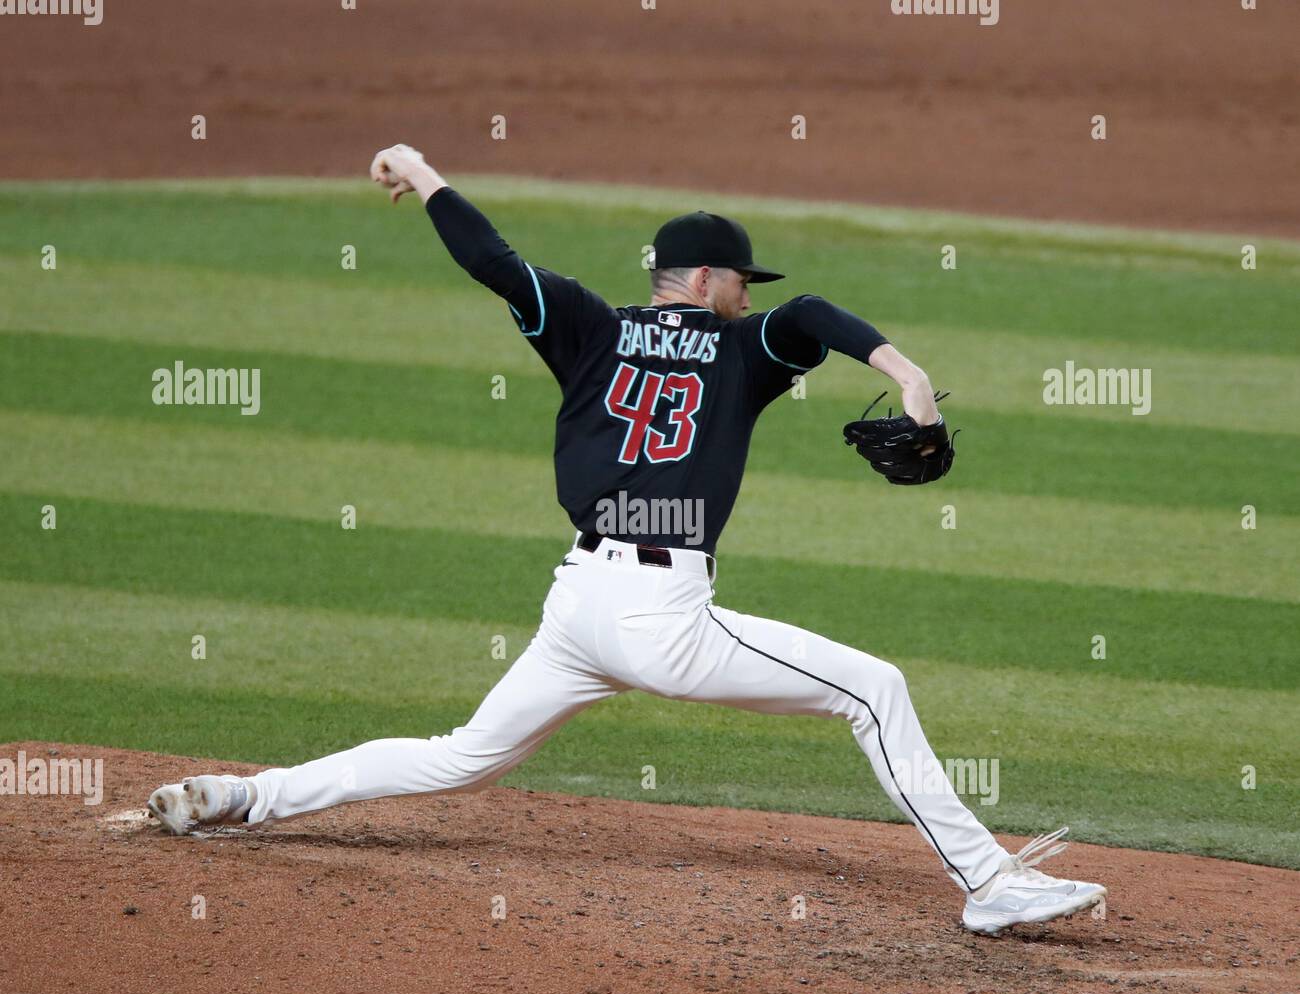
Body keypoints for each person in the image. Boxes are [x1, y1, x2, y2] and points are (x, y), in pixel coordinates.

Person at [147, 144, 1105, 937]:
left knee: (462, 754)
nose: (748, 293)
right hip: (661, 617)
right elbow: (812, 317)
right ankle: (990, 884)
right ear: (704, 277)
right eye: (739, 278)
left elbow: (493, 261)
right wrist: (909, 375)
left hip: (578, 607)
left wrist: (429, 177)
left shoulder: (588, 326)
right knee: (874, 688)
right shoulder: (743, 349)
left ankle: (244, 798)